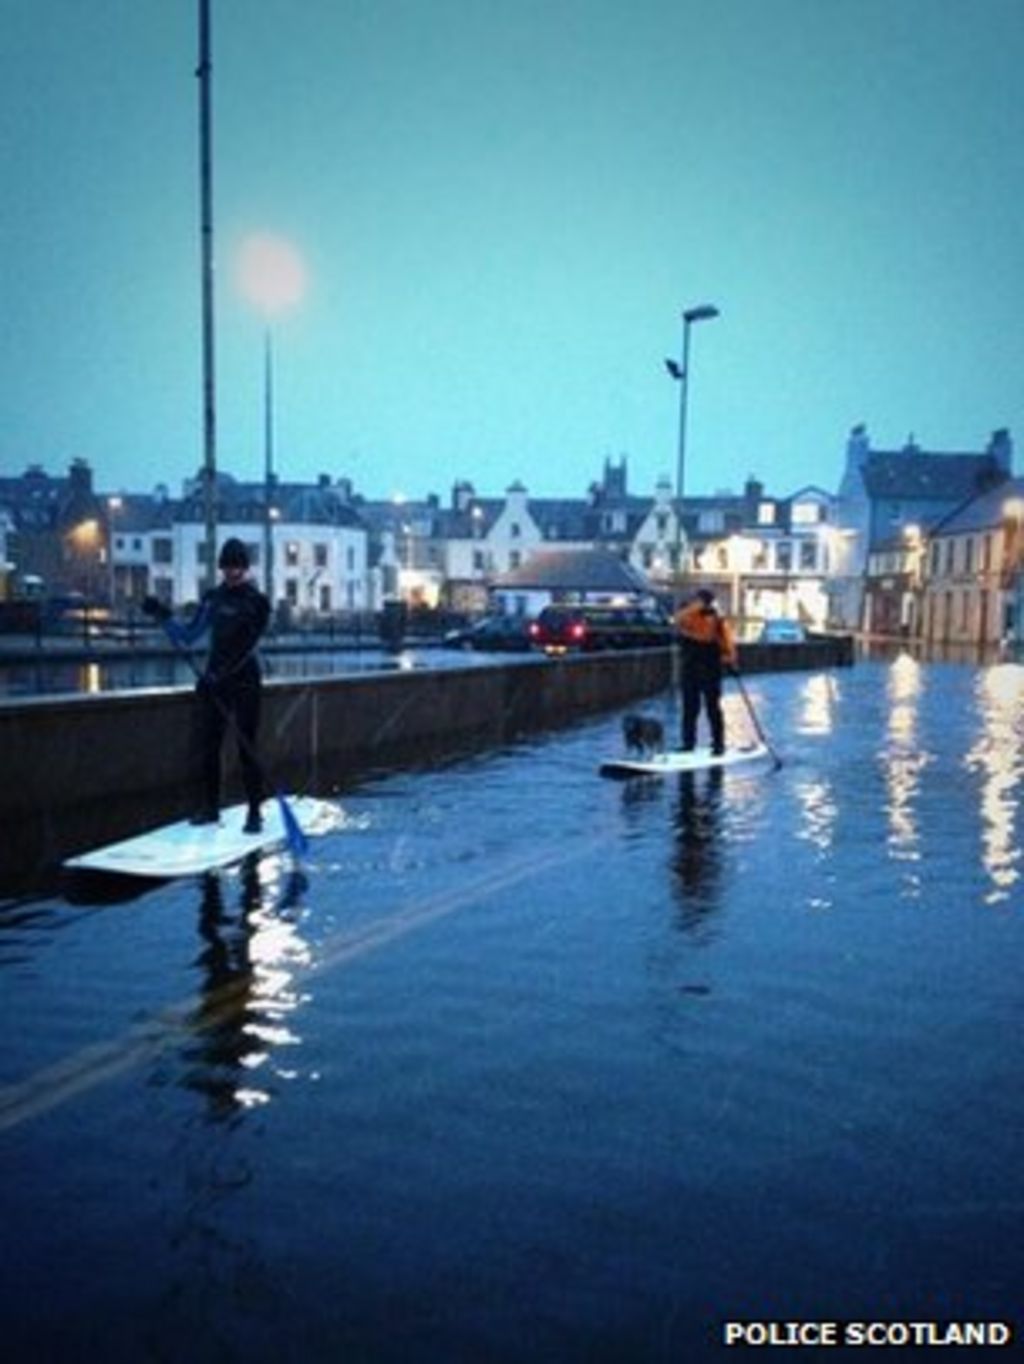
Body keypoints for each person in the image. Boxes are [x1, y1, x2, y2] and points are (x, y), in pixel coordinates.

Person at [143, 538, 270, 832]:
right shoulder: (213, 599)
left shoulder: (257, 602)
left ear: (245, 568)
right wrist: (161, 614)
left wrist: (221, 674)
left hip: (245, 680)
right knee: (209, 747)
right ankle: (211, 809)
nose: (232, 572)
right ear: (221, 568)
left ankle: (254, 812)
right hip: (214, 683)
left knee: (246, 747)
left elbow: (248, 646)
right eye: (227, 567)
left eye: (237, 567)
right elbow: (189, 635)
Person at [675, 587, 738, 755]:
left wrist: (730, 661)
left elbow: (727, 642)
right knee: (690, 706)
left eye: (700, 600)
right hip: (690, 666)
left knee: (712, 706)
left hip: (710, 665)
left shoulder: (717, 620)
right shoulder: (688, 616)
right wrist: (695, 607)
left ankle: (718, 743)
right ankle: (688, 743)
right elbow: (678, 620)